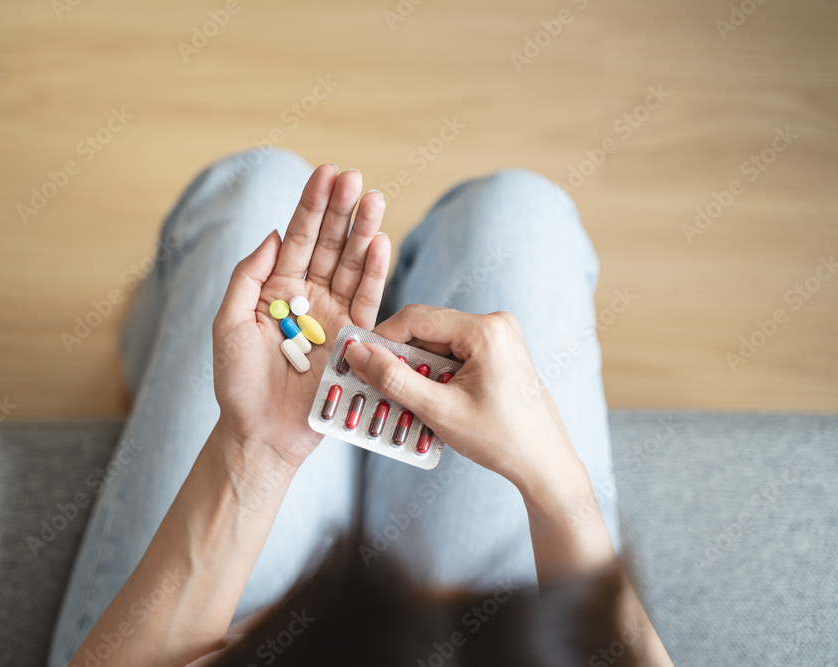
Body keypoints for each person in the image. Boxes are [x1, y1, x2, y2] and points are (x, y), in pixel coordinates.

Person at [47, 149, 673, 666]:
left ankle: (144, 367)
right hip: (499, 630)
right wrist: (553, 479)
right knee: (521, 212)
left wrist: (255, 448)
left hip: (242, 634)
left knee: (255, 189)